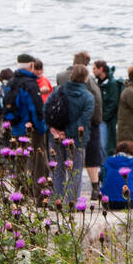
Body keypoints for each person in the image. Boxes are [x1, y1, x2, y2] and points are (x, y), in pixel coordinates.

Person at [56, 52, 104, 200]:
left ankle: (63, 191)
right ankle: (95, 187)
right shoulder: (87, 79)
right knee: (91, 155)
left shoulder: (60, 76)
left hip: (67, 122)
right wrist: (96, 121)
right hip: (87, 122)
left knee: (66, 157)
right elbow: (96, 99)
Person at [46, 64, 93, 205]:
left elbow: (46, 109)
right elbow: (83, 121)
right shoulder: (87, 96)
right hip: (75, 139)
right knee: (75, 170)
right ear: (85, 78)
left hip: (54, 135)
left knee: (57, 168)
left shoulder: (58, 90)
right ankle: (71, 202)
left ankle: (56, 201)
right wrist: (67, 133)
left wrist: (53, 129)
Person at [3, 53, 48, 193]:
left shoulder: (11, 82)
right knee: (38, 162)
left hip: (16, 127)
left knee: (20, 162)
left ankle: (20, 193)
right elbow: (35, 109)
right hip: (31, 129)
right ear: (31, 65)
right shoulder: (30, 84)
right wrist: (41, 128)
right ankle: (40, 196)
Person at [100, 139, 133, 208]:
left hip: (107, 202)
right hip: (129, 201)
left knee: (105, 171)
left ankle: (108, 191)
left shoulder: (109, 160)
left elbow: (100, 175)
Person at [93, 60, 121, 156]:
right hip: (99, 119)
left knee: (105, 146)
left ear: (101, 69)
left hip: (106, 120)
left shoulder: (112, 83)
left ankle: (106, 168)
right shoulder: (98, 83)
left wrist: (103, 118)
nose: (93, 71)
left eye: (94, 69)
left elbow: (113, 103)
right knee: (100, 146)